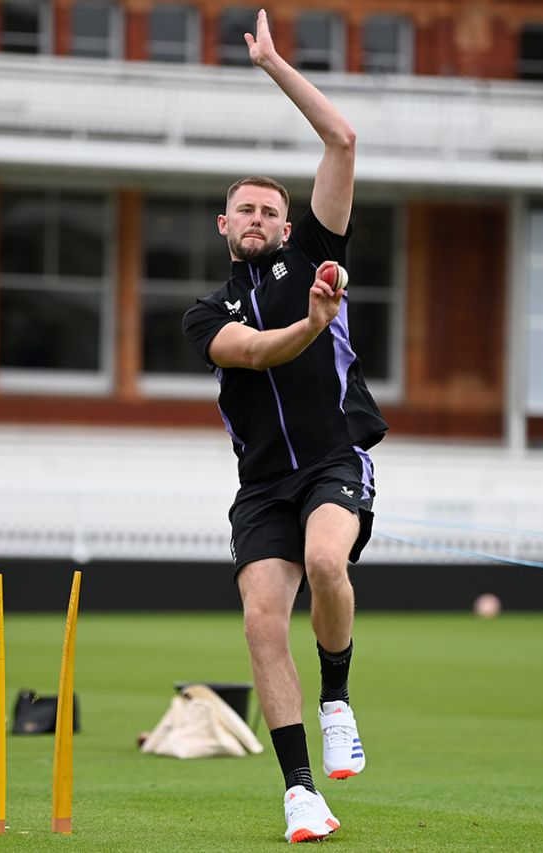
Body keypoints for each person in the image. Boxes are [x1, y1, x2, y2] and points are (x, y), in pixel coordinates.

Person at [181, 9, 387, 844]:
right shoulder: (205, 313)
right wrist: (310, 325)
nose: (259, 218)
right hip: (263, 485)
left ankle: (336, 699)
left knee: (327, 560)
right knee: (262, 620)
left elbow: (342, 139)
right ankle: (301, 792)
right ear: (225, 225)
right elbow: (255, 352)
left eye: (270, 209)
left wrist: (272, 64)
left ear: (289, 224)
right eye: (246, 210)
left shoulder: (313, 257)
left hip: (335, 457)